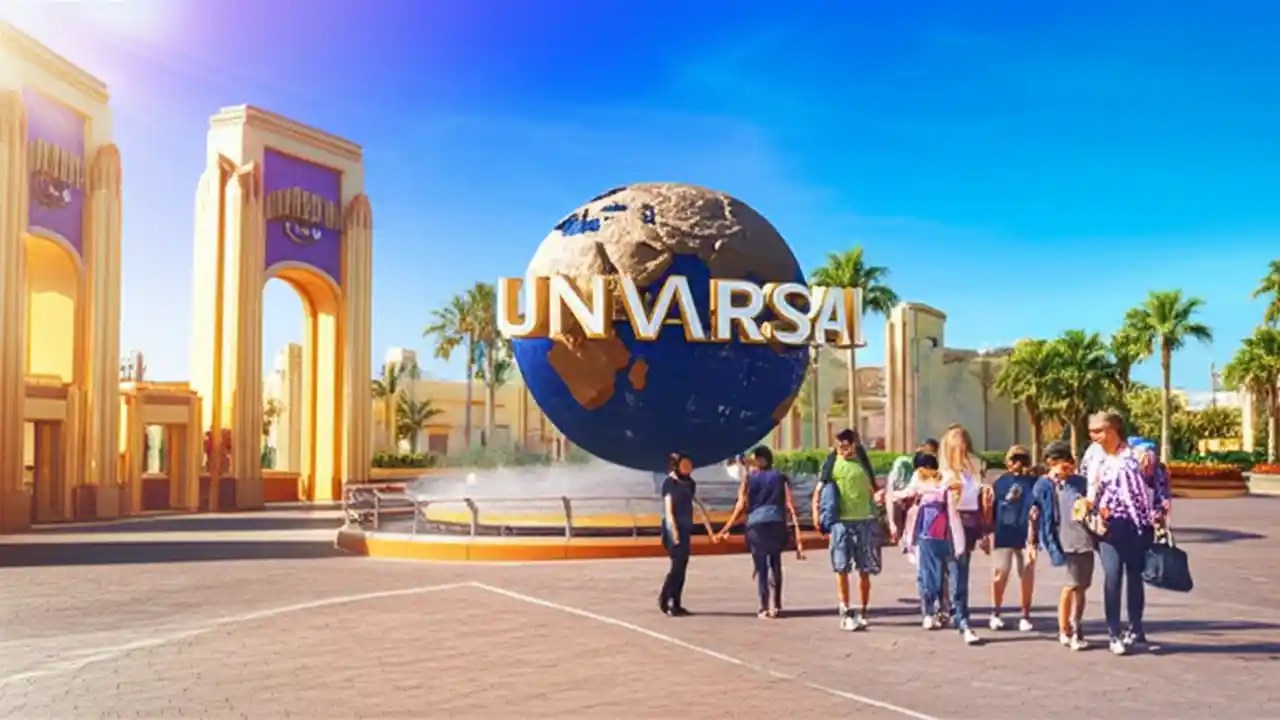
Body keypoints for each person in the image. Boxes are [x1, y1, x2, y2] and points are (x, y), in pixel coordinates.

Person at [1085, 411, 1157, 655]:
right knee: (1113, 575)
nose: (1093, 435)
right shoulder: (1093, 457)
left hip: (1136, 525)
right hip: (1108, 527)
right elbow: (1086, 487)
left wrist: (1159, 515)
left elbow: (1158, 484)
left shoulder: (1137, 456)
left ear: (1113, 430)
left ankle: (1136, 627)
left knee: (1135, 576)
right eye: (1091, 430)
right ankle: (1113, 632)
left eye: (1098, 430)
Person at [717, 446, 805, 618]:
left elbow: (740, 506)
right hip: (776, 523)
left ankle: (764, 606)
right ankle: (777, 604)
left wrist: (724, 529)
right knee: (775, 563)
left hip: (756, 525)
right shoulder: (780, 477)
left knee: (761, 566)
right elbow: (789, 504)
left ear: (759, 460)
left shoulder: (749, 479)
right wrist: (797, 530)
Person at [811, 428, 885, 631]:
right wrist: (817, 514)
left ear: (855, 444)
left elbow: (874, 488)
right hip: (841, 523)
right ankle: (845, 608)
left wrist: (879, 504)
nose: (843, 447)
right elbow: (819, 490)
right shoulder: (831, 462)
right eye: (840, 444)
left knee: (864, 570)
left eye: (847, 443)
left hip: (864, 521)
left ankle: (863, 610)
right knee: (841, 567)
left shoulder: (862, 462)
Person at [1028, 441, 1094, 651]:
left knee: (1082, 586)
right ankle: (1067, 629)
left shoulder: (1080, 483)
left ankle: (1076, 624)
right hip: (1064, 540)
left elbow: (1092, 501)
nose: (1058, 468)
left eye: (1062, 463)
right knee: (1071, 584)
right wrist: (1032, 541)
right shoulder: (1044, 485)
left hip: (1085, 539)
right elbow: (1034, 513)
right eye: (1053, 464)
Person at [897, 452, 966, 630]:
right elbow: (904, 496)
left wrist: (959, 543)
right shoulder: (928, 487)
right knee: (929, 576)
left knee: (933, 576)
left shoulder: (941, 486)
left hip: (936, 536)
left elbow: (953, 514)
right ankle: (931, 612)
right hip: (927, 537)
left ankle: (936, 611)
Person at [937, 425, 987, 645]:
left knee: (959, 571)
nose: (963, 449)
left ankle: (952, 610)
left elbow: (978, 500)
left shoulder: (972, 470)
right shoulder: (945, 475)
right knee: (958, 571)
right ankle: (962, 618)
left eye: (964, 444)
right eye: (958, 446)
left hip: (971, 524)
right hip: (952, 524)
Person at [987, 445, 1039, 632]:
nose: (1017, 463)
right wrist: (987, 531)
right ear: (1007, 461)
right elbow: (991, 508)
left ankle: (1025, 614)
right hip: (1004, 533)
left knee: (1026, 574)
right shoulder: (1000, 482)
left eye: (1022, 459)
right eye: (1013, 459)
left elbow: (1040, 505)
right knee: (1000, 573)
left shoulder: (1034, 482)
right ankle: (995, 611)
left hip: (1027, 534)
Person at [659, 452, 718, 617]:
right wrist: (674, 532)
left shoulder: (690, 483)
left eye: (689, 464)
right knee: (676, 566)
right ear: (676, 466)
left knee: (682, 567)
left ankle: (676, 602)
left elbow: (698, 504)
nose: (688, 467)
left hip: (686, 530)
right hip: (673, 530)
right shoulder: (669, 483)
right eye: (684, 464)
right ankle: (666, 599)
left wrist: (710, 530)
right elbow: (668, 509)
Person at [886, 438, 939, 542]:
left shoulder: (932, 470)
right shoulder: (903, 464)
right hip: (904, 498)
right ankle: (894, 528)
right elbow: (892, 488)